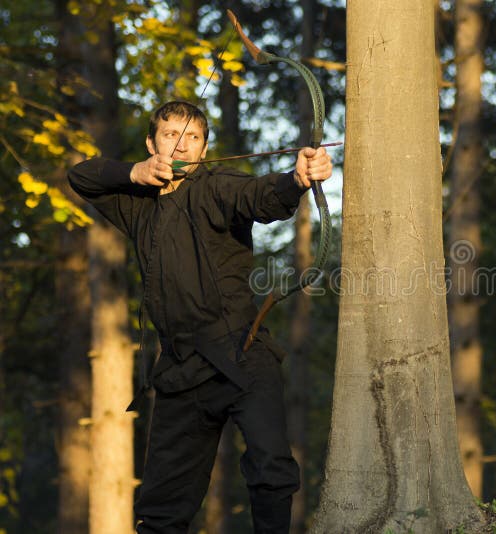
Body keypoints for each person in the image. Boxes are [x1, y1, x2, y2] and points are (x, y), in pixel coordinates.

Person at [68, 100, 333, 533]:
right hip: (180, 369)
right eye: (171, 135)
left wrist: (297, 179)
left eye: (193, 138)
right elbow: (81, 176)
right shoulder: (137, 205)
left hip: (242, 353)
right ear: (152, 143)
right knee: (161, 511)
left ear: (205, 149)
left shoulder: (216, 186)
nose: (181, 146)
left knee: (272, 472)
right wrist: (135, 172)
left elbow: (259, 196)